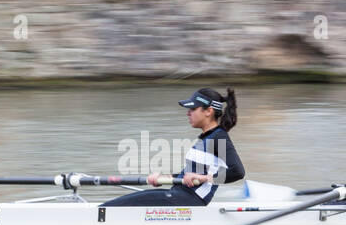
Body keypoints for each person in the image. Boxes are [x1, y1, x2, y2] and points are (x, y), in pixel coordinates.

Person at [102, 88, 244, 207]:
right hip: (179, 195)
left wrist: (203, 178)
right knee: (120, 202)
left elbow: (237, 172)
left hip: (190, 200)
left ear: (208, 111)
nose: (188, 112)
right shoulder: (207, 138)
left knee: (112, 207)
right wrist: (165, 177)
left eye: (193, 108)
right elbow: (189, 173)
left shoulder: (219, 137)